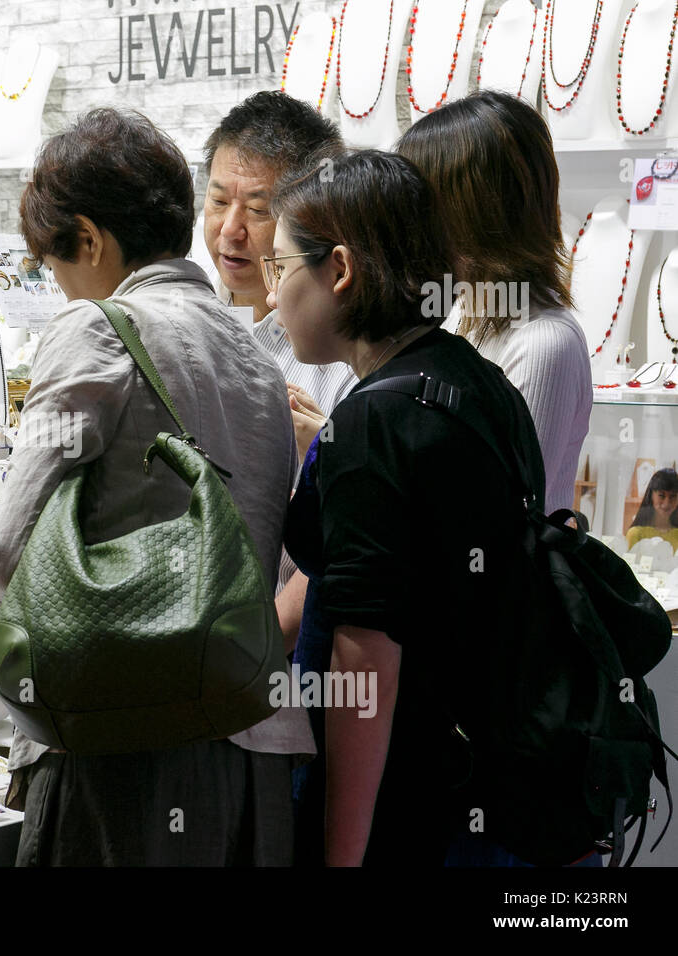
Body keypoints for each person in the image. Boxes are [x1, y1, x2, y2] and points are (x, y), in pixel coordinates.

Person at [0, 107, 298, 866]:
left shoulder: (97, 330)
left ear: (89, 239)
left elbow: (3, 551)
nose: (57, 287)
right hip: (246, 749)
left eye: (55, 265)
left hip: (121, 747)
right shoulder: (258, 359)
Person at [270, 150, 549, 866]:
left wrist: (341, 856)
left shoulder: (372, 424)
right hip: (493, 786)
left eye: (280, 269)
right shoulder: (483, 384)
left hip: (406, 807)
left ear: (338, 270)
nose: (272, 298)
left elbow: (367, 666)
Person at [201, 91, 358, 658]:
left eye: (259, 209)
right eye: (218, 200)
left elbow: (345, 541)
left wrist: (257, 647)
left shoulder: (340, 355)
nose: (230, 231)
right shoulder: (193, 323)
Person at [398, 91, 591, 514]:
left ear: (469, 211)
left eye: (418, 203)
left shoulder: (542, 344)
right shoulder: (458, 315)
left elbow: (500, 512)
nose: (406, 222)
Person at [627, 467, 678, 550]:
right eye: (661, 496)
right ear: (651, 495)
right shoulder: (636, 533)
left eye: (673, 496)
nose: (666, 504)